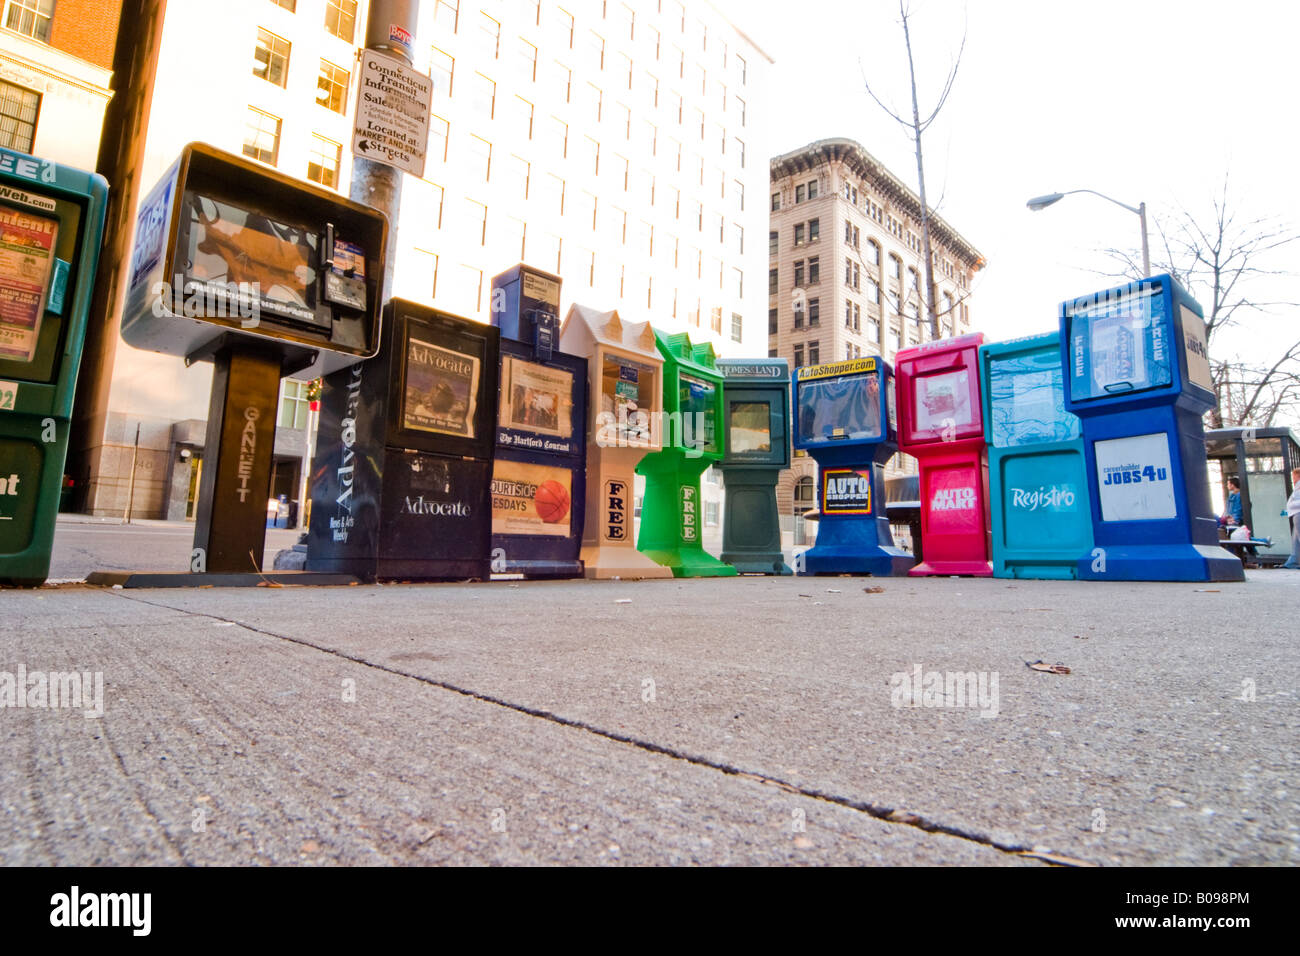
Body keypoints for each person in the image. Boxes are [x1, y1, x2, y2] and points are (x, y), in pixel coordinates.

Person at [1283, 468, 1300, 570]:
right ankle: (1293, 561)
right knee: (1296, 540)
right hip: (1296, 514)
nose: (1292, 478)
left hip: (1298, 513)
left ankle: (1293, 562)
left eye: (1294, 476)